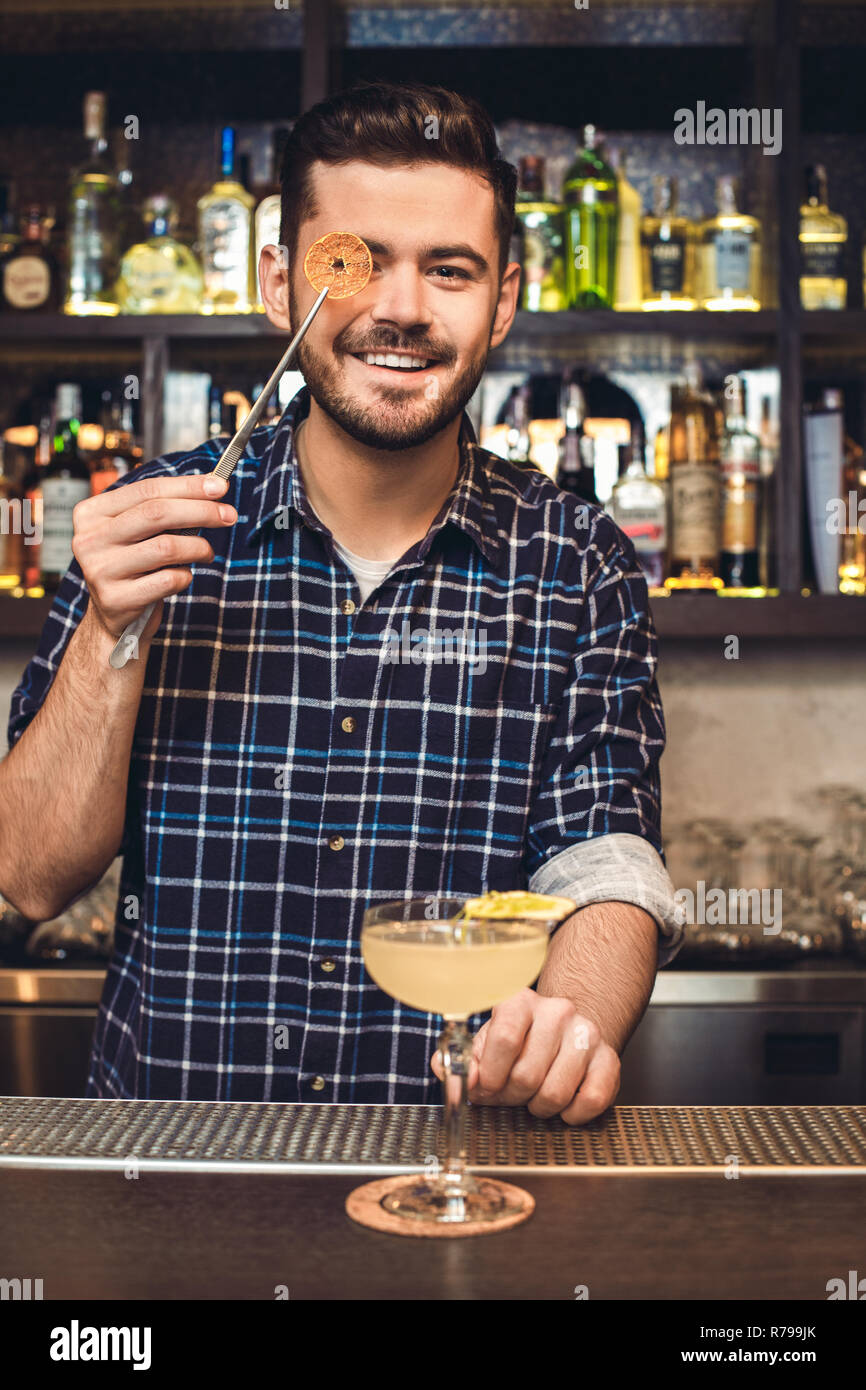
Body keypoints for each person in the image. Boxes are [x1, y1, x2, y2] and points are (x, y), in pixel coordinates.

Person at [0, 80, 682, 1119]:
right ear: (279, 284)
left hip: (454, 1176)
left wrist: (575, 1017)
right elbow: (32, 876)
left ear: (501, 296)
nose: (400, 309)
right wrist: (110, 631)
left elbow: (602, 853)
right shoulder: (151, 520)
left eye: (448, 270)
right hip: (171, 1184)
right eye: (349, 265)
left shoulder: (576, 557)